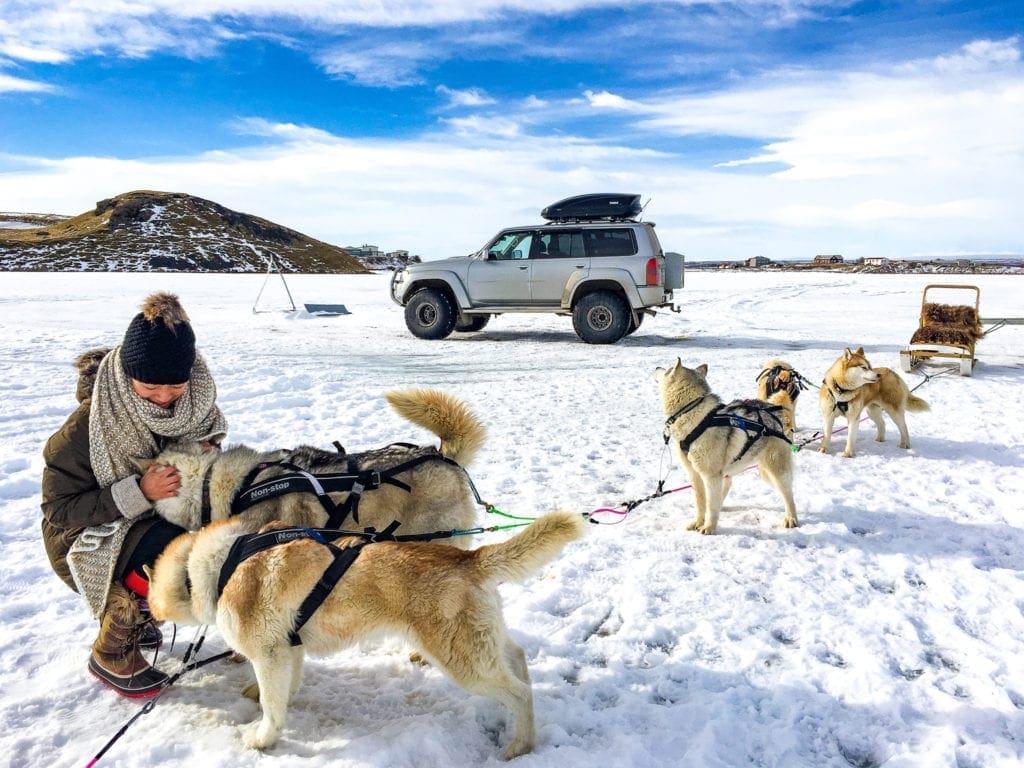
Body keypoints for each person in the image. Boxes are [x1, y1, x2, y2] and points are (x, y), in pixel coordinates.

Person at [41, 292, 227, 698]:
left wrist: (201, 460)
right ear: (127, 378)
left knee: (218, 532)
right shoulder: (83, 430)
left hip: (150, 518)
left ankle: (146, 615)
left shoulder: (195, 407)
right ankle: (111, 650)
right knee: (173, 548)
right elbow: (58, 511)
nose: (163, 399)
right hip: (83, 535)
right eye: (150, 388)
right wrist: (139, 492)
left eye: (175, 387)